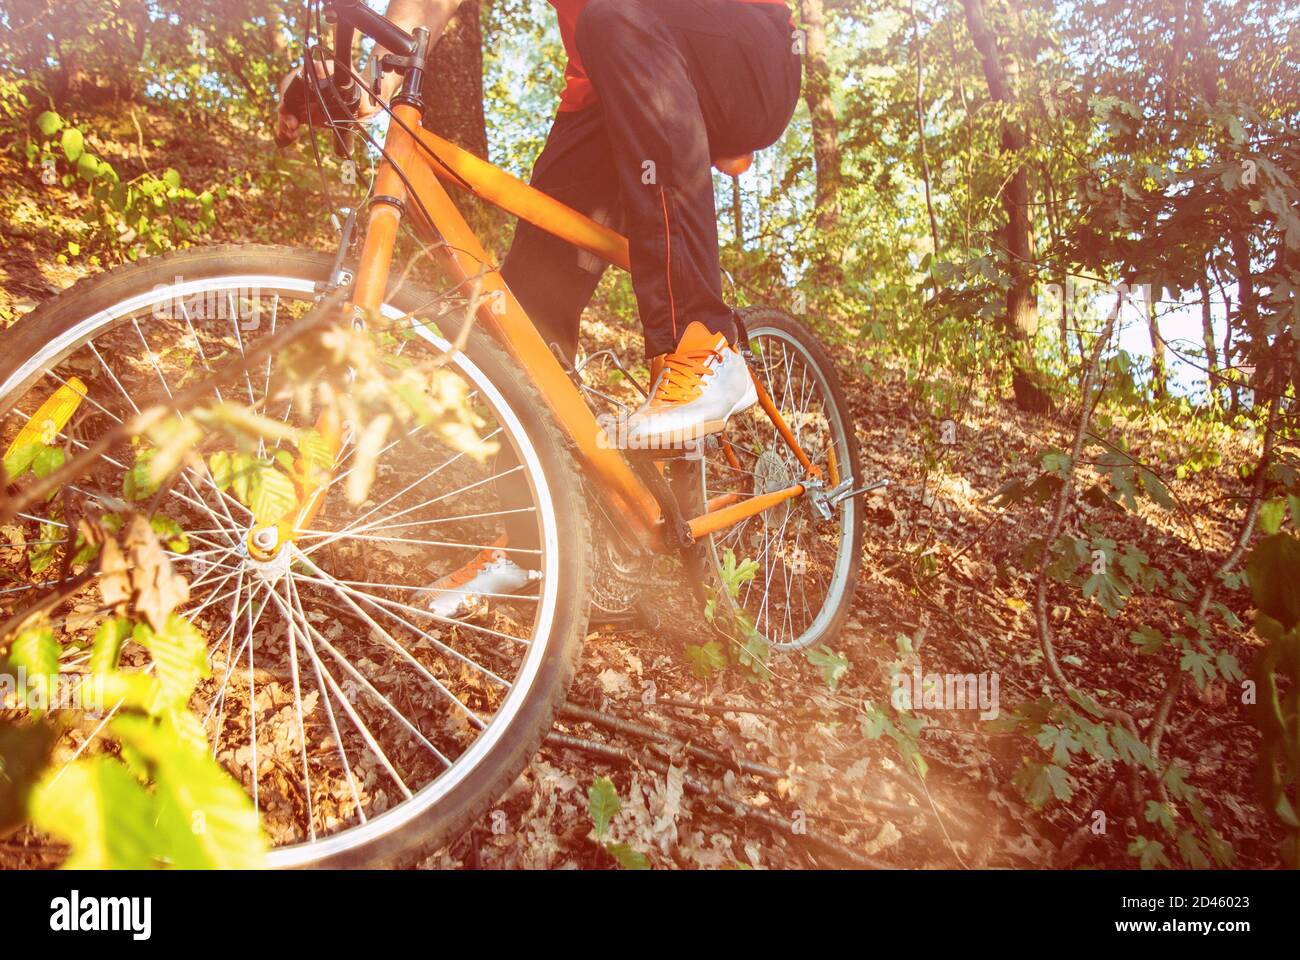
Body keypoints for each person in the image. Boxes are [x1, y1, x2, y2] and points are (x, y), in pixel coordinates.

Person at [278, 0, 802, 616]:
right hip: (615, 82)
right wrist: (372, 75)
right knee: (522, 313)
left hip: (745, 48)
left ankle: (705, 341)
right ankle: (529, 546)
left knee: (612, 18)